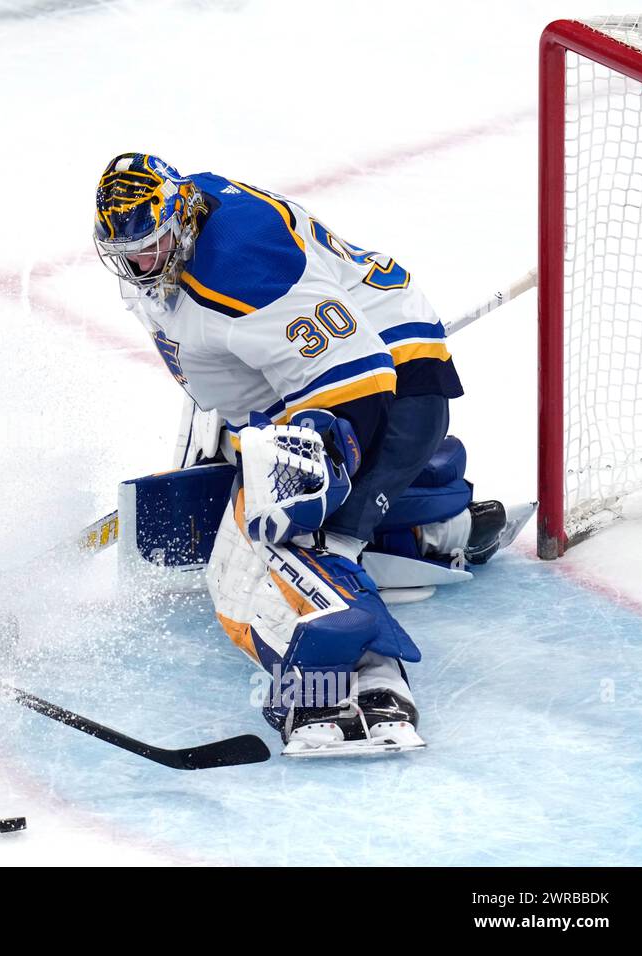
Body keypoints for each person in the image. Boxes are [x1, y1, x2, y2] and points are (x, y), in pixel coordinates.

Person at [93, 152, 526, 756]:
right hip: (318, 372)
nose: (139, 265)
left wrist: (313, 493)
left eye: (150, 246)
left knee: (280, 538)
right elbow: (224, 352)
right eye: (126, 252)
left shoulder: (240, 268)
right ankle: (435, 528)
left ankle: (367, 680)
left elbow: (363, 383)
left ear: (182, 219)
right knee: (283, 500)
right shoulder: (178, 236)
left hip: (388, 387)